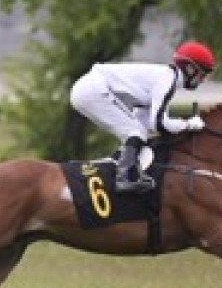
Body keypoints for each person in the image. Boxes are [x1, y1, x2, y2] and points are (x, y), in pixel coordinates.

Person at [69, 41, 214, 194]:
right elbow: (158, 124)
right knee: (135, 132)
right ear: (190, 68)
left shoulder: (164, 78)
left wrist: (186, 119)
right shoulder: (167, 80)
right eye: (202, 73)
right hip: (94, 89)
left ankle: (116, 169)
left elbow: (147, 122)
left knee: (136, 131)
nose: (202, 79)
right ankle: (124, 178)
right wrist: (187, 125)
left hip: (89, 88)